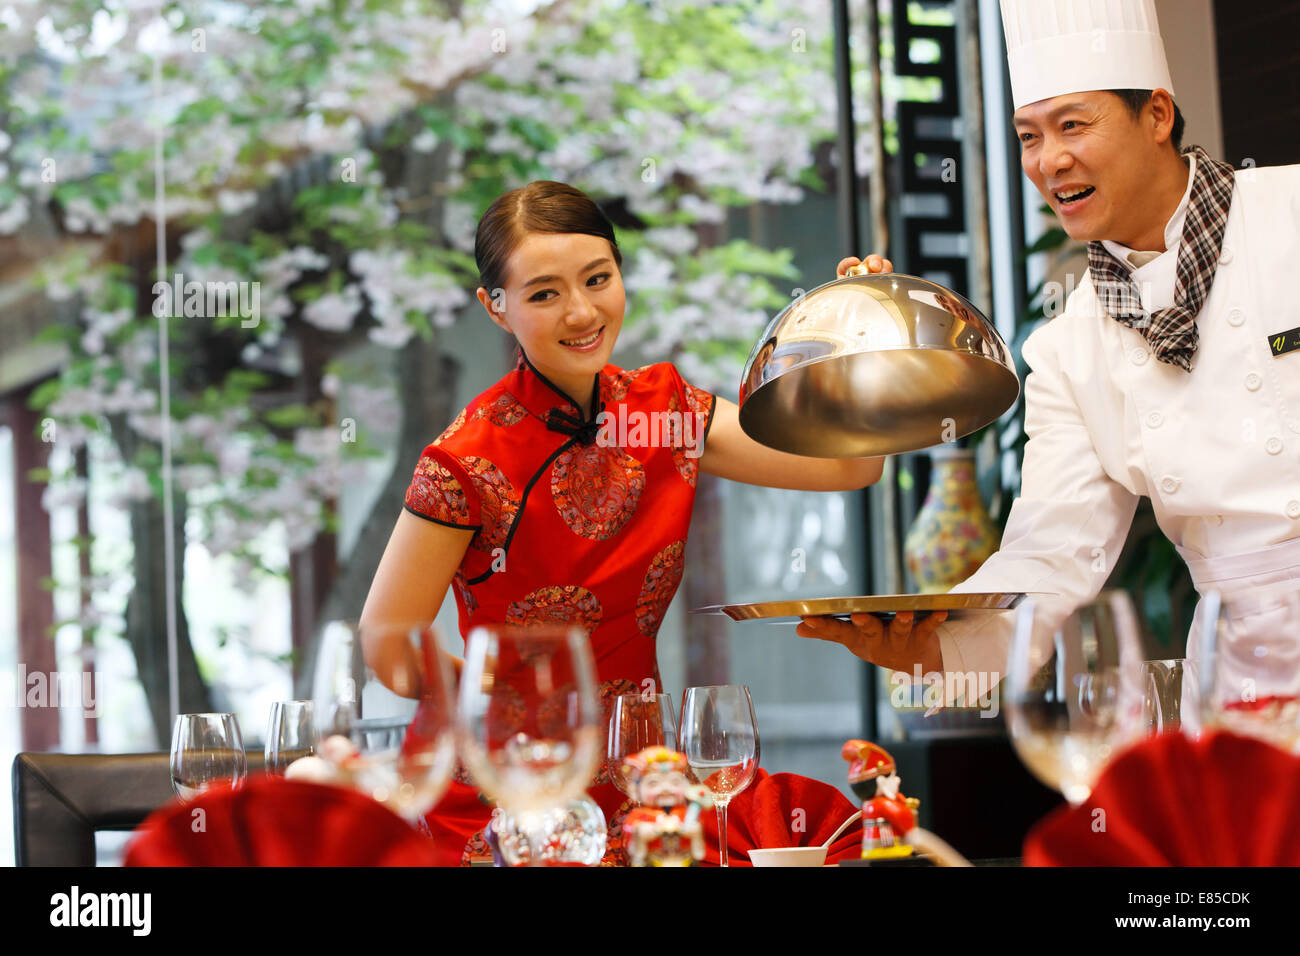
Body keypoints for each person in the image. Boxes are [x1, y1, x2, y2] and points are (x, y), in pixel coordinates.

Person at [359, 180, 889, 863]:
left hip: (641, 785)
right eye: (544, 293)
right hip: (498, 792)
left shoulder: (667, 413)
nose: (581, 312)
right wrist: (510, 693)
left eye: (597, 279)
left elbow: (850, 466)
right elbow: (388, 649)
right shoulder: (465, 460)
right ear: (496, 307)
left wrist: (865, 324)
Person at [799, 0, 1300, 705]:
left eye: (1073, 124)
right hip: (1240, 691)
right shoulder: (1069, 345)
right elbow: (1053, 556)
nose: (1048, 160)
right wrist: (934, 645)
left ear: (1157, 115)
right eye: (1028, 136)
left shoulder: (1290, 213)